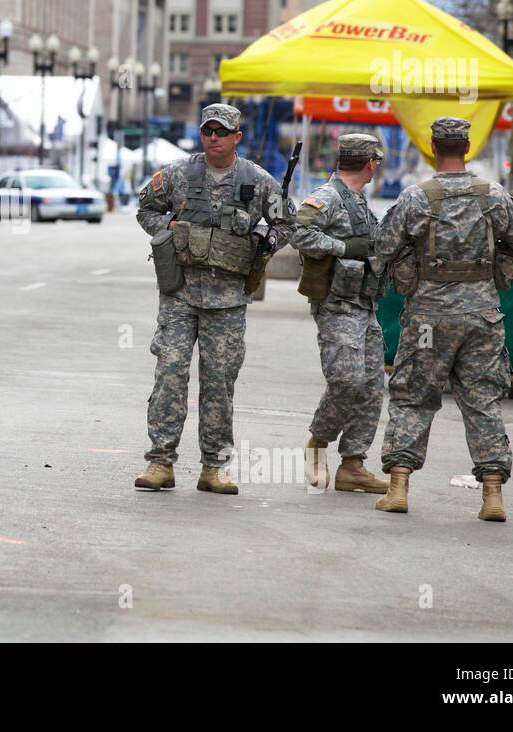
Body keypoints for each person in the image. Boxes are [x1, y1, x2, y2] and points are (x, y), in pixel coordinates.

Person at [369, 117, 513, 521]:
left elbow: (384, 245)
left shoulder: (416, 197)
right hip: (481, 315)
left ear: (432, 145)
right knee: (482, 401)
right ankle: (492, 496)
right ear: (468, 146)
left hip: (429, 316)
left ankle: (399, 488)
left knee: (413, 398)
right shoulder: (493, 195)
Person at [134, 103, 291, 495]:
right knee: (170, 373)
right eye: (208, 131)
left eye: (222, 132)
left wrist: (264, 242)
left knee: (219, 382)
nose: (214, 138)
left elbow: (285, 221)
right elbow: (145, 207)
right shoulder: (178, 174)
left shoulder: (257, 180)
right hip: (180, 294)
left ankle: (213, 467)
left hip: (228, 299)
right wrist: (167, 228)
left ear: (237, 137)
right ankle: (160, 463)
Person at [290, 133, 388, 494]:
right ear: (370, 163)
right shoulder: (327, 197)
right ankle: (318, 441)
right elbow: (297, 232)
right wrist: (342, 246)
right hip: (336, 303)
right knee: (346, 379)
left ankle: (353, 464)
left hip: (365, 304)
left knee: (372, 387)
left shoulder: (360, 202)